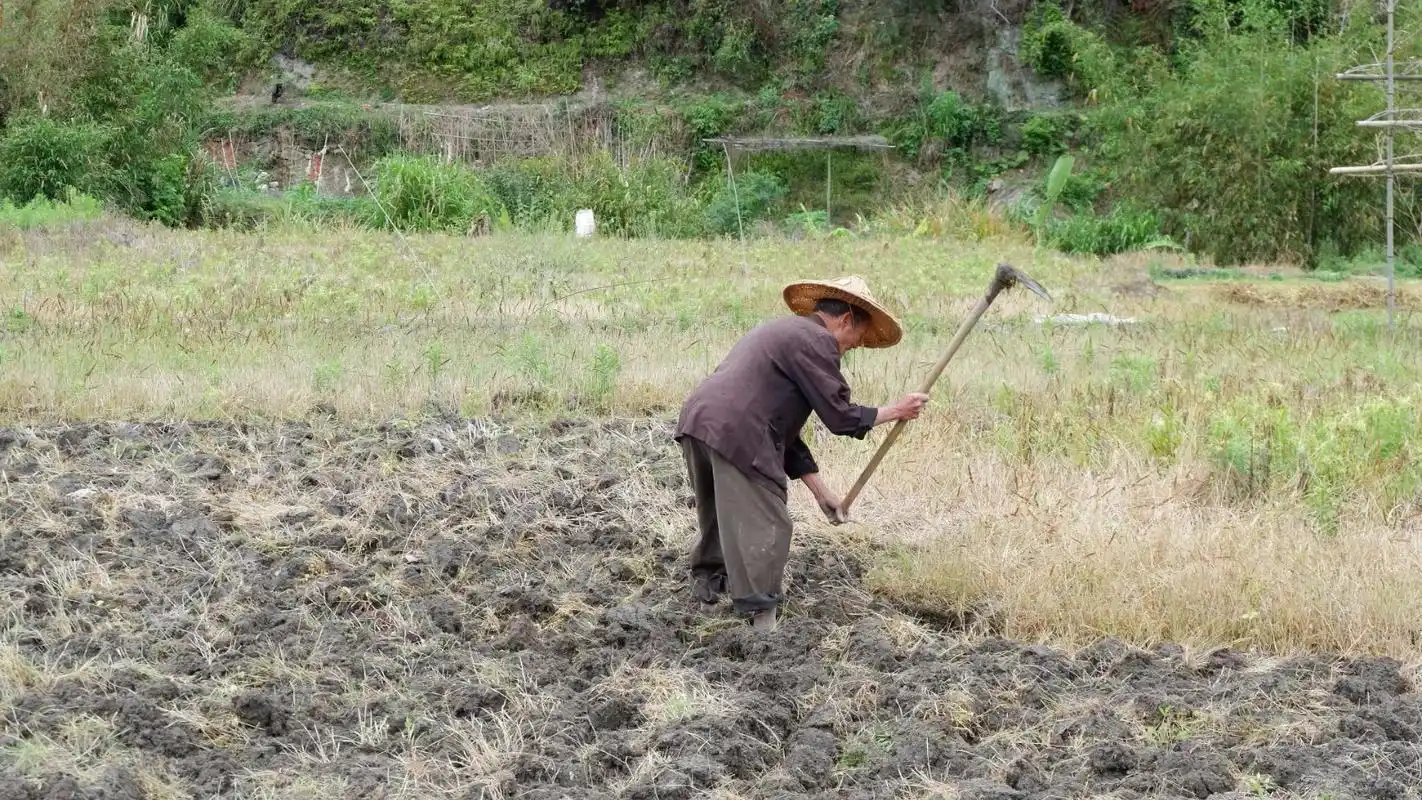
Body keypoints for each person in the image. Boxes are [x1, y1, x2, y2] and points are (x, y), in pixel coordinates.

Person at [673, 275, 930, 632]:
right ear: (845, 320)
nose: (855, 346)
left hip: (700, 422)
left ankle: (707, 588)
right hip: (739, 430)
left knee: (721, 512)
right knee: (770, 523)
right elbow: (841, 417)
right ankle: (759, 622)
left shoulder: (787, 332)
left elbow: (786, 435)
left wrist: (822, 494)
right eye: (858, 337)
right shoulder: (817, 341)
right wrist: (896, 411)